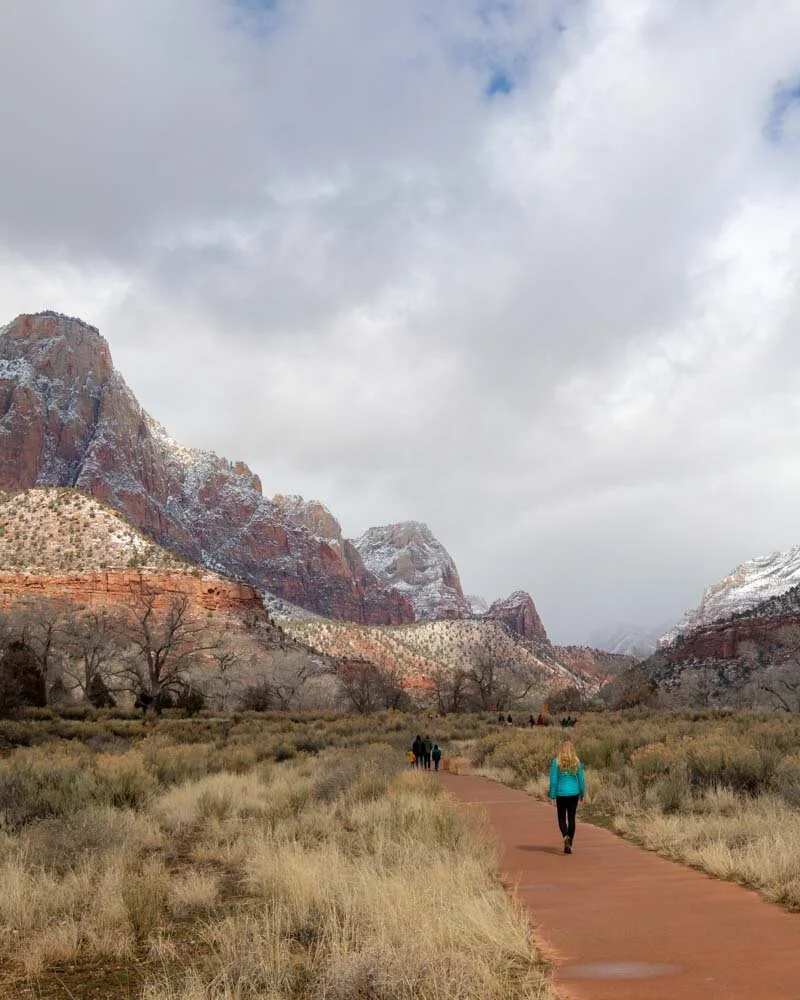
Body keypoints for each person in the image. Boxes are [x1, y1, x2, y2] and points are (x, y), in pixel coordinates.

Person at [548, 740, 585, 854]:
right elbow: (581, 779)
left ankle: (565, 837)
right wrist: (582, 794)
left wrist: (552, 795)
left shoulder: (556, 761)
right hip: (574, 793)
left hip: (561, 794)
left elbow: (553, 781)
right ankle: (569, 844)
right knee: (571, 819)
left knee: (561, 818)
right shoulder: (576, 761)